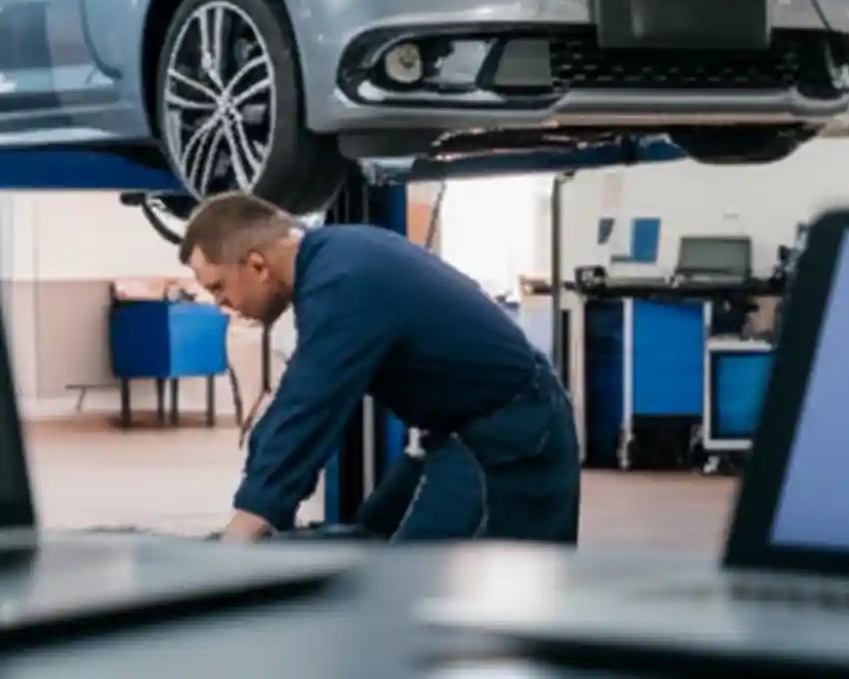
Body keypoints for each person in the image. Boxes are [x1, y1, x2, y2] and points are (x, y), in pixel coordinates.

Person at [179, 191, 580, 544]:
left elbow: (312, 402)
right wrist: (259, 499)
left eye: (218, 287)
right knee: (368, 539)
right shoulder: (336, 256)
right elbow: (299, 391)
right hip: (458, 428)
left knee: (410, 580)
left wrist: (254, 514)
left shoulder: (343, 280)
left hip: (508, 434)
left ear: (257, 265)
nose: (221, 304)